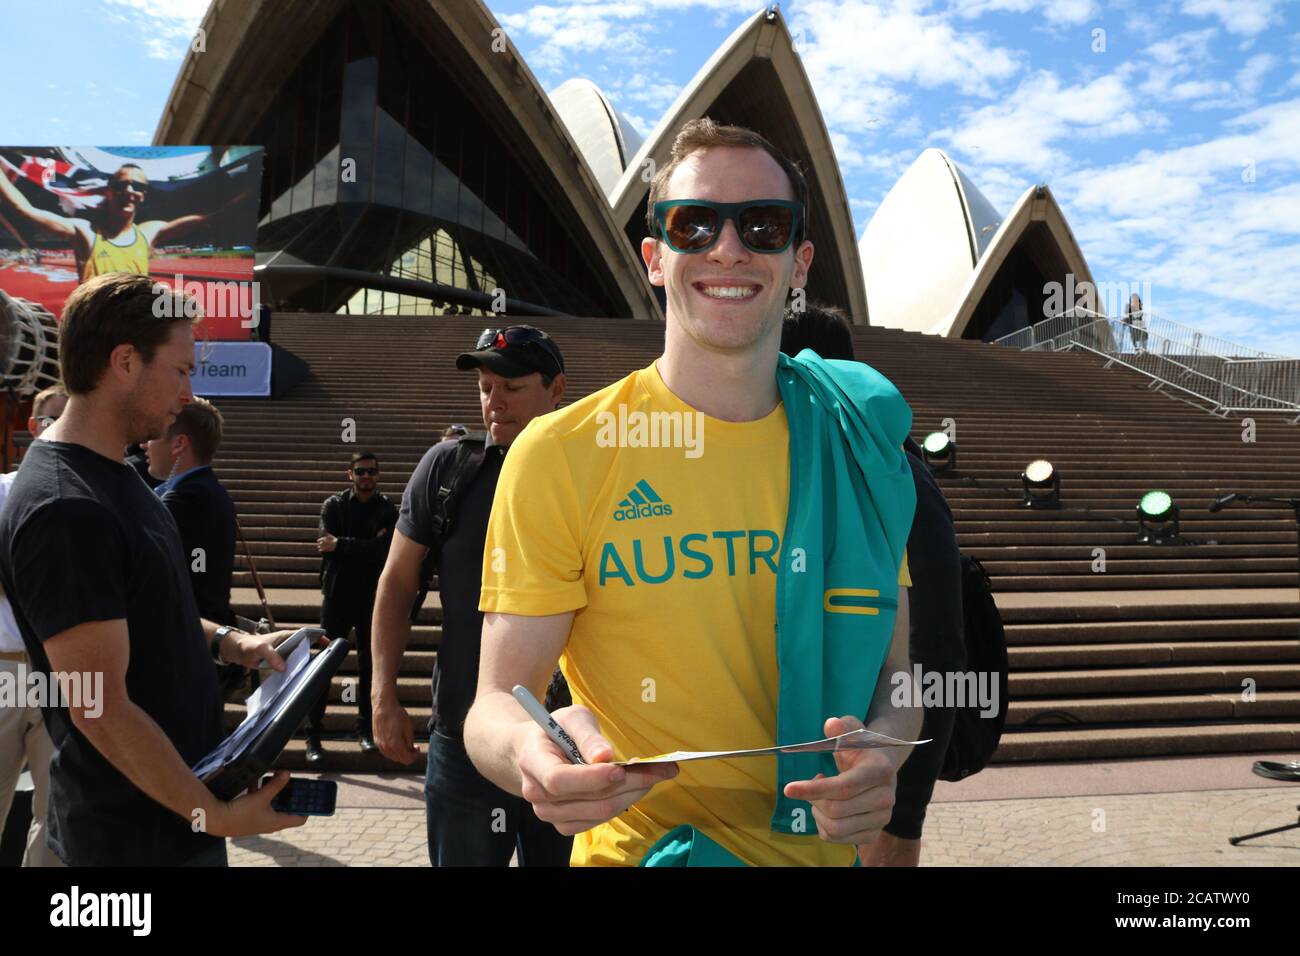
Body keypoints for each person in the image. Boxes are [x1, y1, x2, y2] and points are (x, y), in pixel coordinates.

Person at [464, 118, 919, 867]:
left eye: (763, 225)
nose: (728, 248)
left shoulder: (855, 445)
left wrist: (881, 754)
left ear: (800, 262)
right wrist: (528, 754)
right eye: (694, 223)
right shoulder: (560, 453)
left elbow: (898, 680)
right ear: (655, 257)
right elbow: (492, 703)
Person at [0, 272, 309, 866]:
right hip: (125, 845)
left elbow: (142, 610)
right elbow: (98, 706)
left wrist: (231, 642)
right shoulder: (66, 506)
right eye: (181, 370)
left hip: (166, 822)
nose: (190, 392)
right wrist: (210, 814)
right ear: (124, 362)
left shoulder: (112, 474)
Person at [372, 325, 575, 867]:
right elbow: (397, 583)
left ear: (556, 389)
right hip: (466, 737)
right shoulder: (448, 467)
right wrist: (382, 695)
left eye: (512, 387)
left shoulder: (592, 470)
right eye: (486, 387)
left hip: (571, 736)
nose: (494, 402)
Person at [780, 303, 964, 867]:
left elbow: (920, 633)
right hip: (900, 722)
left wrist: (898, 764)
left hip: (879, 738)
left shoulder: (871, 472)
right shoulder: (898, 464)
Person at [0, 385, 69, 867]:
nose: (59, 431)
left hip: (64, 673)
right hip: (3, 669)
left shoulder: (85, 498)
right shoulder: (2, 491)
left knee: (58, 815)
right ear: (32, 426)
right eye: (50, 421)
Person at [0, 162, 241, 281]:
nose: (129, 191)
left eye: (137, 186)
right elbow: (24, 209)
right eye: (121, 185)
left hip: (134, 332)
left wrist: (249, 189)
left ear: (143, 195)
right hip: (94, 334)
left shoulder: (149, 232)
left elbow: (211, 217)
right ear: (108, 191)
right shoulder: (86, 232)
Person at [307, 452, 398, 762]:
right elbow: (325, 545)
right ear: (350, 474)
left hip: (372, 599)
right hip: (337, 597)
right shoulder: (333, 505)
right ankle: (313, 736)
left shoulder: (387, 510)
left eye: (371, 471)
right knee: (324, 666)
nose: (366, 477)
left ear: (378, 475)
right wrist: (365, 545)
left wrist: (343, 545)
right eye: (360, 471)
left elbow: (385, 551)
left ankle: (366, 732)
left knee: (369, 667)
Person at [144, 397, 238, 627]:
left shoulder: (184, 500)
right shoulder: (209, 491)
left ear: (179, 443)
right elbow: (199, 564)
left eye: (153, 435)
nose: (144, 445)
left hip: (188, 630)